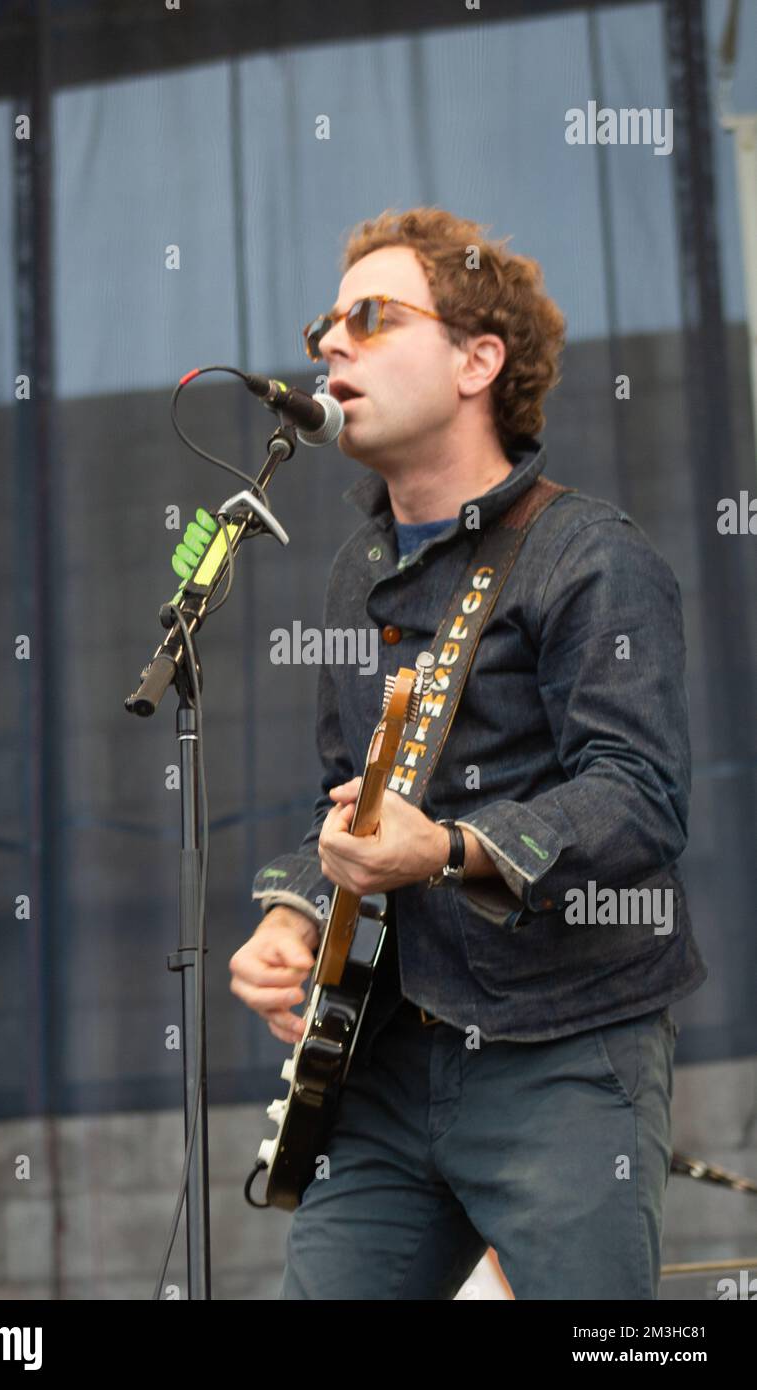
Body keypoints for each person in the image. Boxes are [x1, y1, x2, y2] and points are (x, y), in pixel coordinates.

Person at [229, 207, 708, 1300]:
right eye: (324, 326)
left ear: (475, 360)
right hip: (383, 1058)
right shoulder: (354, 568)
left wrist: (444, 848)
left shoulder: (589, 556)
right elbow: (346, 798)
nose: (329, 346)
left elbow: (637, 800)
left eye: (369, 316)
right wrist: (291, 911)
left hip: (562, 1054)